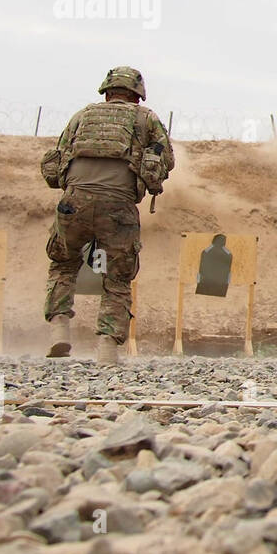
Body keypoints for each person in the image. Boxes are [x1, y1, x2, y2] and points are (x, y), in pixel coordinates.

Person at [41, 66, 174, 363]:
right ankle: (107, 348)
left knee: (63, 263)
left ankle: (59, 331)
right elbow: (167, 158)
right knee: (117, 276)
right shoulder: (146, 118)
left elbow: (56, 159)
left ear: (106, 91)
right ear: (137, 95)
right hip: (118, 206)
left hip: (73, 203)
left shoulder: (82, 116)